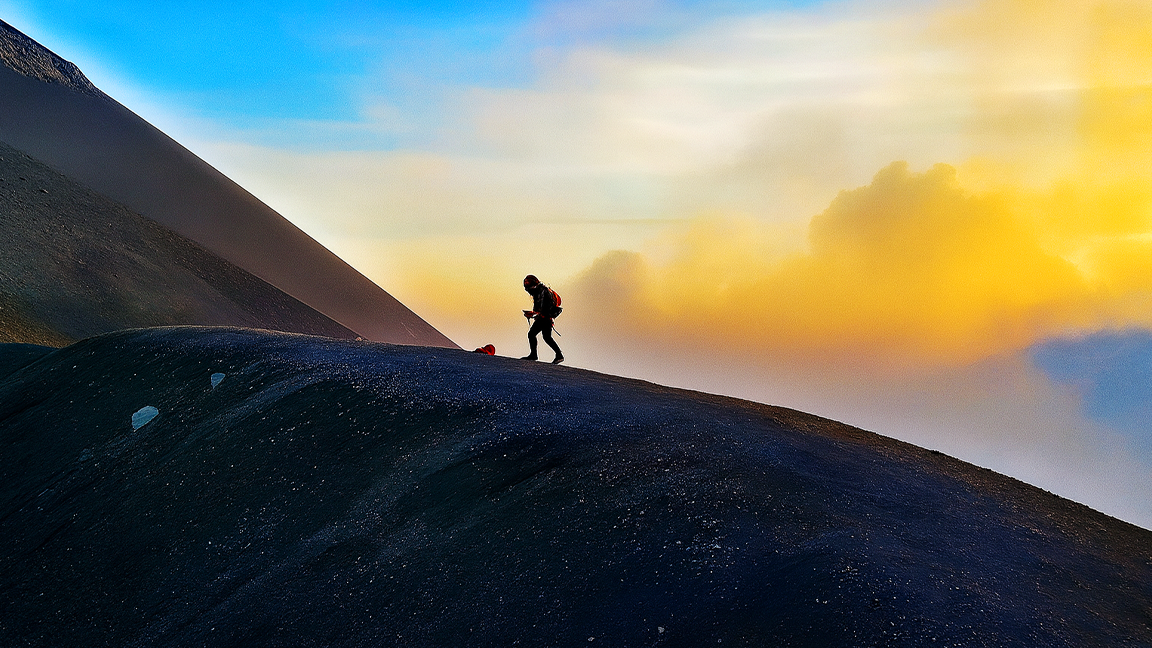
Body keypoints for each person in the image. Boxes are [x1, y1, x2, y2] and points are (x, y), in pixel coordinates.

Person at [521, 274, 563, 364]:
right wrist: (532, 314)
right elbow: (538, 309)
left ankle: (534, 355)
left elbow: (544, 307)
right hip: (546, 317)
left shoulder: (541, 292)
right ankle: (559, 355)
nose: (528, 291)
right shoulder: (539, 291)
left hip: (545, 318)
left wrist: (535, 314)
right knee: (547, 337)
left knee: (532, 334)